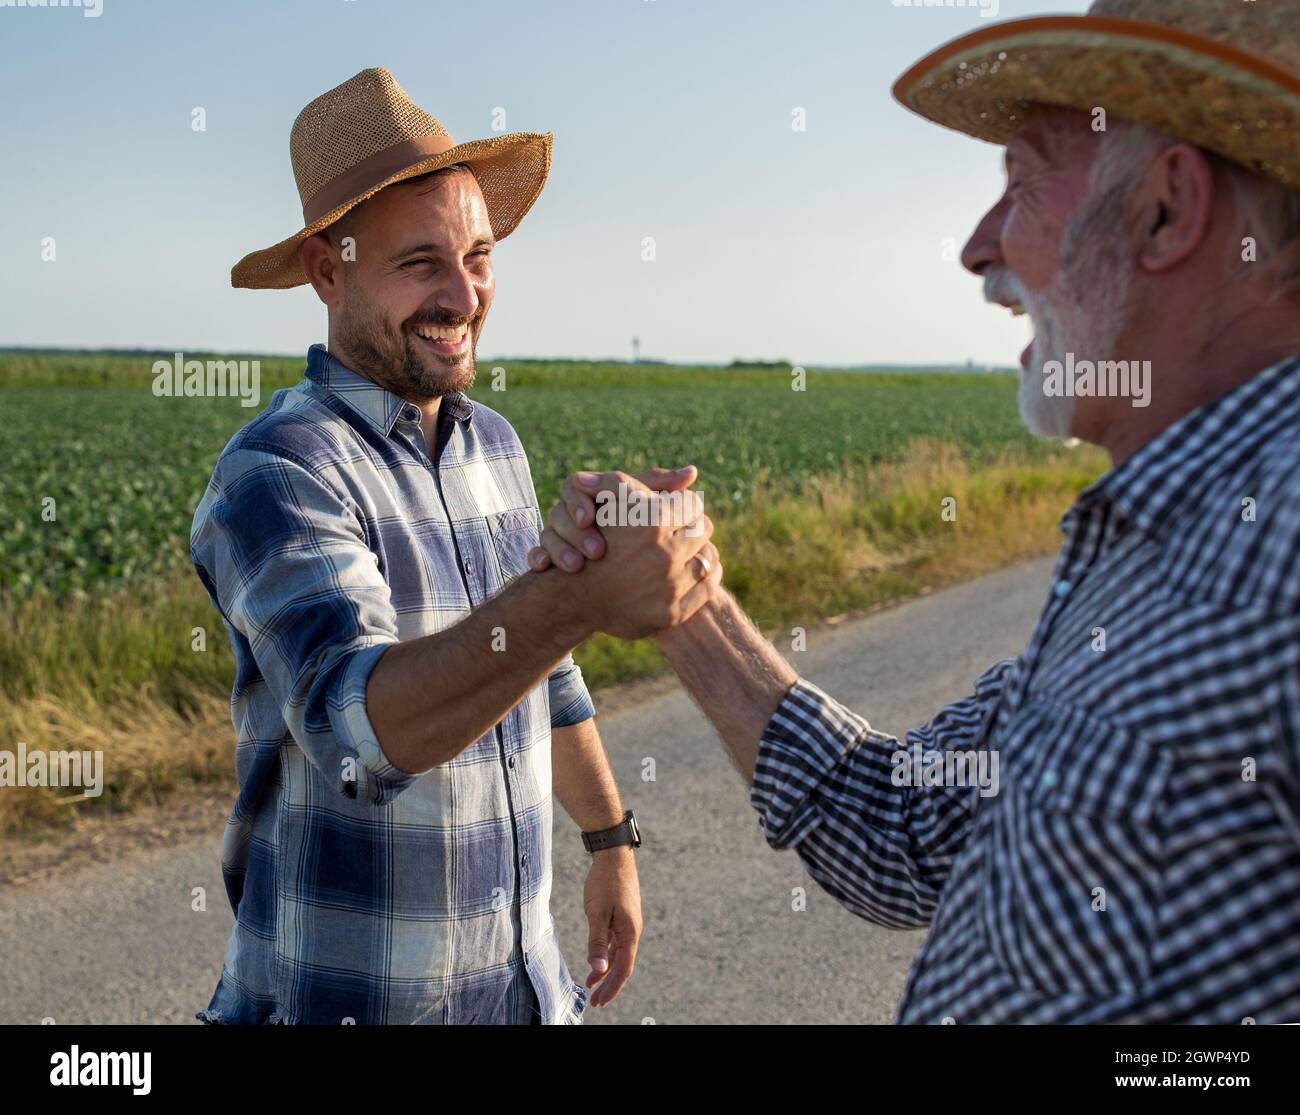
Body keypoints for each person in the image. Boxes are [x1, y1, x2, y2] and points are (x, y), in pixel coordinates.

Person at [530, 0, 1300, 1022]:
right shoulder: (1152, 544)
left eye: (1021, 187)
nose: (978, 248)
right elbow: (898, 825)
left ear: (1165, 209)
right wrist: (684, 592)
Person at [191, 68, 720, 1025]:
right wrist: (581, 598)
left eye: (478, 255)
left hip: (522, 992)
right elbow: (363, 731)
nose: (464, 294)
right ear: (326, 271)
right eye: (420, 263)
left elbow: (542, 669)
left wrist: (610, 837)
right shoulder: (278, 470)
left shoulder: (494, 447)